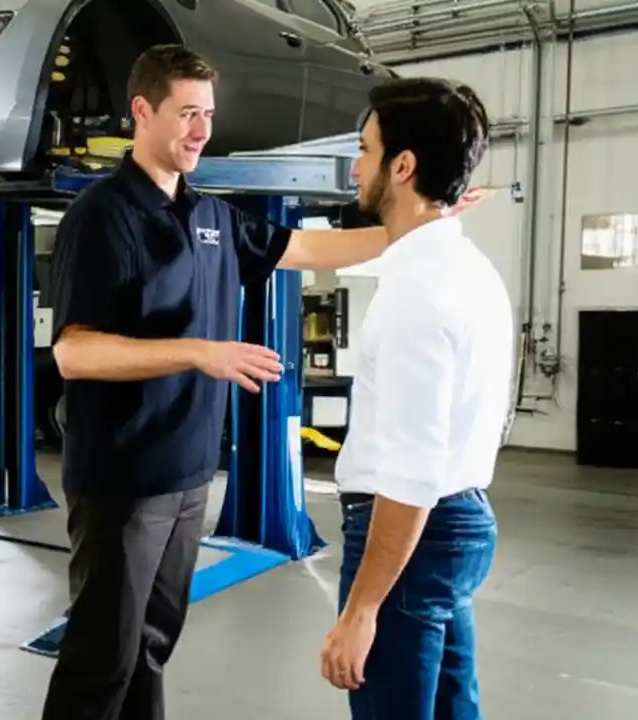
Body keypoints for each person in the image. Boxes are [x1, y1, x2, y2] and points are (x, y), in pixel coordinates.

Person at [38, 45, 485, 720]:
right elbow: (75, 353)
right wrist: (200, 353)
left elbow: (303, 248)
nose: (201, 131)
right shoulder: (102, 218)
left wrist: (417, 223)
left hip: (188, 478)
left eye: (208, 115)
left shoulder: (212, 216)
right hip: (122, 481)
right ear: (141, 112)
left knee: (152, 646)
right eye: (186, 113)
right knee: (102, 657)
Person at [317, 78, 511, 720]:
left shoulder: (416, 295)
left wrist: (361, 610)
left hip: (411, 537)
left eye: (366, 150)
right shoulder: (470, 270)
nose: (355, 166)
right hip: (456, 524)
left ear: (403, 167)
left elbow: (412, 471)